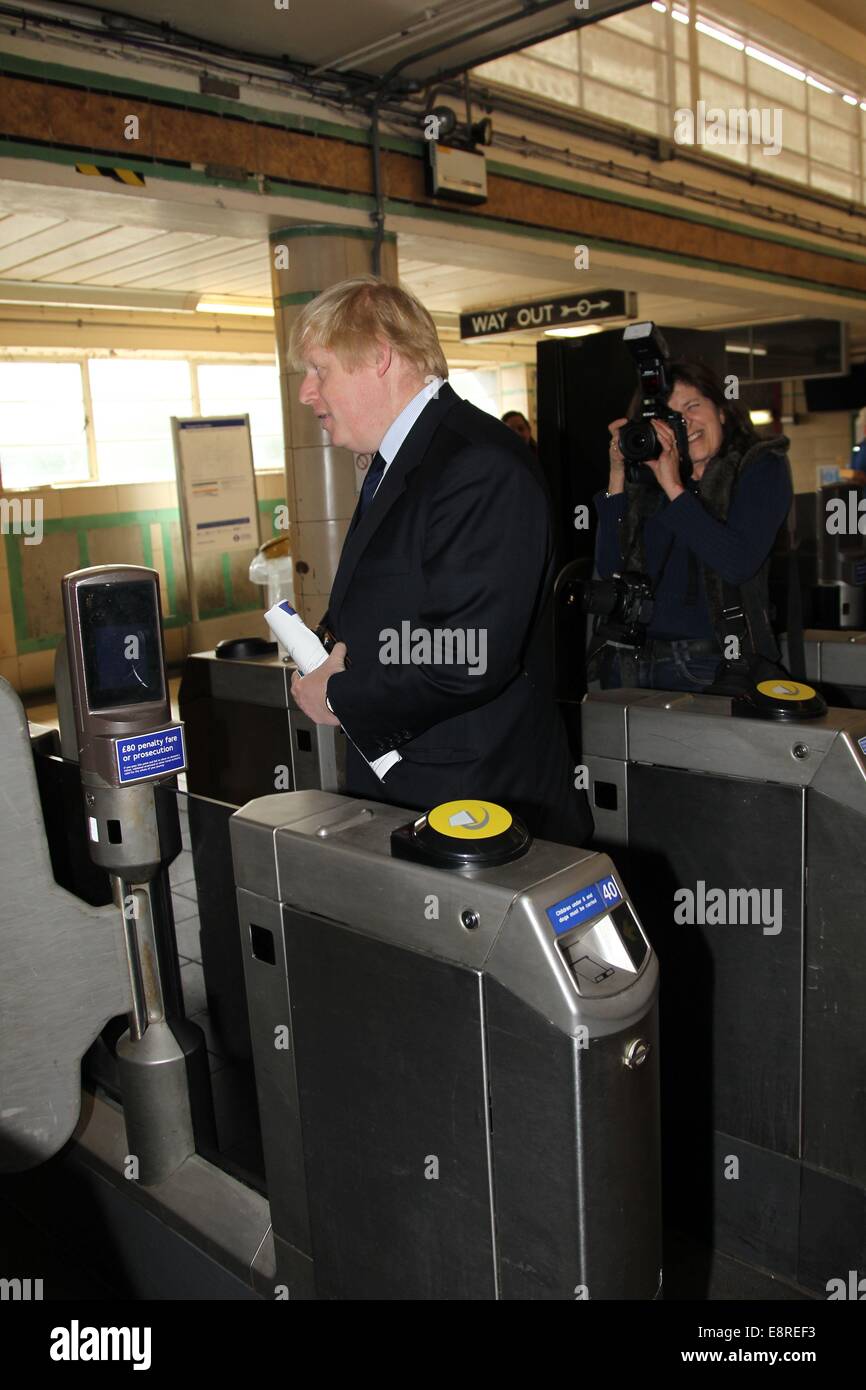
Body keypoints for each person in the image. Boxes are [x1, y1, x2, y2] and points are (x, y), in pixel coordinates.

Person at [288, 274, 590, 845]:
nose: (307, 393)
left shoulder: (475, 465)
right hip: (424, 782)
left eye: (319, 369)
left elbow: (467, 654)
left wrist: (339, 696)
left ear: (380, 358)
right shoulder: (404, 461)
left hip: (476, 801)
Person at [593, 360, 793, 692]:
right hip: (627, 663)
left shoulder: (758, 467)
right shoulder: (651, 482)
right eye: (671, 416)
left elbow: (738, 562)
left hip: (712, 664)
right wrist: (618, 475)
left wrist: (675, 489)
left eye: (693, 406)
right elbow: (610, 567)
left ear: (722, 411)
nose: (685, 422)